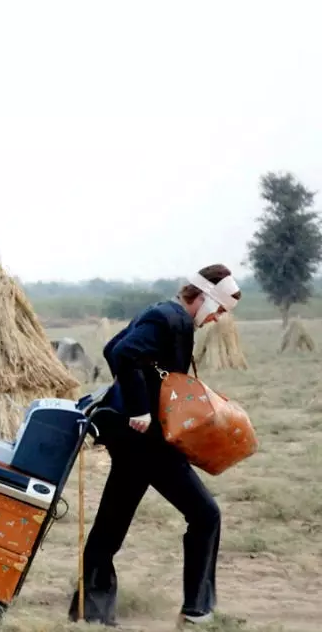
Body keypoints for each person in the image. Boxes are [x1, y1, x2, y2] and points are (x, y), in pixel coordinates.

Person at [70, 264, 241, 628]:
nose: (218, 318)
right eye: (220, 309)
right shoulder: (170, 318)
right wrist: (139, 408)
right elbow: (123, 354)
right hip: (145, 442)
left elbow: (111, 346)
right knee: (205, 514)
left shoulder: (163, 314)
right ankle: (197, 612)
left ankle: (90, 612)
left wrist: (140, 394)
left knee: (111, 526)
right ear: (206, 298)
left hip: (132, 441)